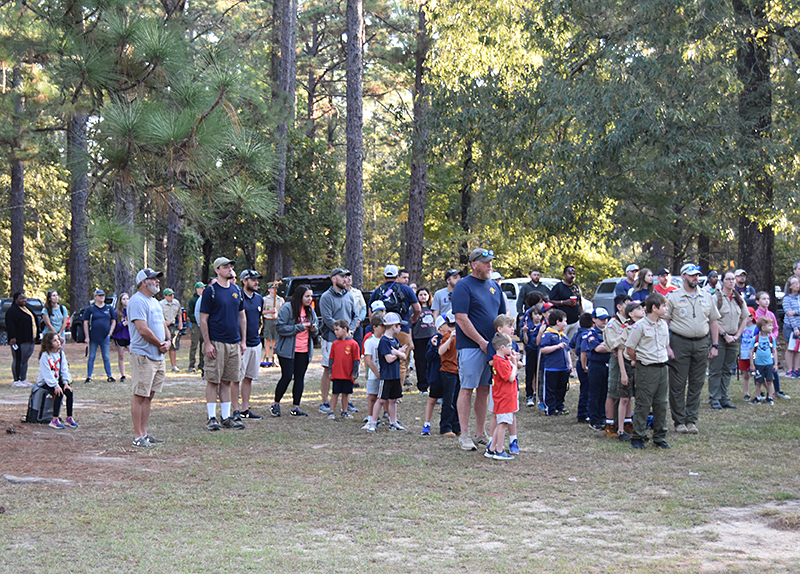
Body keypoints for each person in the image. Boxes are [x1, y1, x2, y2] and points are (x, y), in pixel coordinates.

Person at [452, 248, 506, 451]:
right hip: (471, 347)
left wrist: (501, 343)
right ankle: (464, 434)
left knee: (484, 390)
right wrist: (482, 342)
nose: (490, 265)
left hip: (492, 349)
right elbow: (461, 318)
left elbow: (502, 318)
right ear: (474, 265)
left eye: (491, 261)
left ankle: (480, 433)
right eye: (485, 262)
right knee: (467, 389)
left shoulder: (494, 286)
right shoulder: (463, 286)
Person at [665, 263, 721, 435]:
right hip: (679, 342)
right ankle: (679, 421)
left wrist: (715, 344)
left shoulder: (706, 296)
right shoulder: (673, 297)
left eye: (697, 275)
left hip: (702, 343)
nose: (695, 278)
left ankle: (691, 420)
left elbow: (713, 321)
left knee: (697, 383)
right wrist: (666, 346)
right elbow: (664, 323)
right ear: (683, 277)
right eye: (691, 275)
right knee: (678, 384)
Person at [199, 257, 246, 431]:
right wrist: (208, 343)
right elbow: (203, 319)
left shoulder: (236, 290)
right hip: (216, 342)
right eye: (225, 267)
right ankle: (211, 417)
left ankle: (226, 417)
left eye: (230, 266)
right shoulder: (210, 291)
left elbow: (242, 316)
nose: (229, 269)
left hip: (234, 343)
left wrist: (243, 340)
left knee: (227, 380)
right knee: (213, 380)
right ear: (217, 270)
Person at [128, 268, 171, 447]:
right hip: (144, 356)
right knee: (140, 395)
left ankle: (145, 433)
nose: (157, 281)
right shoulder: (137, 301)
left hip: (157, 356)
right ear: (144, 282)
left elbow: (162, 324)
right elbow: (143, 329)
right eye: (153, 279)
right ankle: (138, 437)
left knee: (149, 395)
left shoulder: (154, 301)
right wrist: (160, 344)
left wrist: (168, 341)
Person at [626, 292, 673, 450]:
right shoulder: (639, 326)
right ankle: (638, 436)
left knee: (661, 403)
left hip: (662, 367)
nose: (666, 308)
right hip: (646, 368)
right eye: (664, 306)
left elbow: (664, 345)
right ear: (654, 307)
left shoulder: (663, 325)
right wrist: (638, 359)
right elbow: (630, 348)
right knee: (643, 403)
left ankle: (659, 437)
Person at [368, 265, 420, 387]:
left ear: (384, 276)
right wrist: (414, 318)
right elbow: (417, 308)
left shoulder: (378, 290)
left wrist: (375, 325)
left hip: (382, 329)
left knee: (383, 360)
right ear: (397, 276)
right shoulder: (406, 289)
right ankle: (398, 391)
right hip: (401, 328)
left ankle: (383, 387)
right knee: (401, 362)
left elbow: (370, 309)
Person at [272, 285, 317, 417]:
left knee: (300, 378)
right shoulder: (288, 308)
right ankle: (275, 404)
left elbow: (316, 327)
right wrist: (299, 327)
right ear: (300, 296)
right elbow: (280, 328)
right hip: (287, 350)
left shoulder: (310, 310)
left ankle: (296, 407)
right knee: (287, 376)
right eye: (307, 296)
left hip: (304, 350)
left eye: (311, 296)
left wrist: (314, 329)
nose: (310, 299)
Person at [707, 271, 748, 409]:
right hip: (718, 337)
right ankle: (714, 398)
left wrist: (737, 335)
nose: (731, 281)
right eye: (728, 279)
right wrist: (724, 335)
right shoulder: (716, 297)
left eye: (733, 279)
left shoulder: (739, 297)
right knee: (716, 368)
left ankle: (724, 397)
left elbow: (745, 318)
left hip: (734, 338)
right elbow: (712, 319)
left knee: (727, 369)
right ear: (722, 281)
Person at [319, 268, 358, 413]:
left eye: (346, 277)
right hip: (331, 339)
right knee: (328, 368)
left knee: (347, 368)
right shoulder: (326, 297)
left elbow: (354, 316)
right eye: (341, 277)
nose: (345, 279)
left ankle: (346, 403)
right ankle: (324, 401)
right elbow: (327, 319)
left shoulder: (349, 296)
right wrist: (339, 332)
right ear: (334, 279)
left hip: (348, 339)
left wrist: (350, 331)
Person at [367, 312, 408, 432]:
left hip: (395, 375)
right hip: (387, 376)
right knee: (381, 399)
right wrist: (397, 353)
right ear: (394, 326)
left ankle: (393, 422)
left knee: (393, 400)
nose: (400, 328)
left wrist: (397, 352)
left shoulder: (395, 340)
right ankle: (373, 423)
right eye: (399, 326)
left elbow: (403, 356)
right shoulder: (384, 341)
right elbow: (389, 359)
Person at [232, 270, 264, 421]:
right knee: (236, 377)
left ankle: (245, 408)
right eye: (253, 280)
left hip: (255, 343)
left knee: (249, 377)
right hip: (240, 343)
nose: (256, 282)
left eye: (257, 280)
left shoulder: (259, 299)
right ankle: (235, 409)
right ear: (244, 281)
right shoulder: (238, 297)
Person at [603, 295, 634, 437]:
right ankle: (610, 424)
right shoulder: (613, 324)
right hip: (617, 359)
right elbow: (613, 343)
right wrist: (623, 346)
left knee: (627, 393)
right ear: (619, 307)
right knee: (613, 391)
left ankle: (627, 422)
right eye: (627, 304)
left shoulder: (633, 322)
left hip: (630, 358)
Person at [485, 332, 519, 461]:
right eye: (509, 346)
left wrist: (513, 361)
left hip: (506, 396)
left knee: (501, 423)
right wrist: (515, 367)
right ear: (501, 347)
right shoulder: (499, 361)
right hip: (504, 397)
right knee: (503, 424)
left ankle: (492, 448)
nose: (511, 348)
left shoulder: (502, 359)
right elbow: (510, 377)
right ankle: (499, 450)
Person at [36, 333, 78, 429]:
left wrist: (65, 383)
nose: (58, 342)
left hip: (57, 380)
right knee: (58, 393)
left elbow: (64, 369)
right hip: (46, 382)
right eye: (54, 340)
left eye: (58, 339)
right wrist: (56, 386)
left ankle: (69, 418)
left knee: (69, 392)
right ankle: (54, 419)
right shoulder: (45, 356)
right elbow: (47, 374)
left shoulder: (61, 354)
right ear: (49, 343)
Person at [753, 290, 789, 399]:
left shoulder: (771, 314)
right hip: (759, 346)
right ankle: (760, 392)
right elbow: (754, 330)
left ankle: (776, 390)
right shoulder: (756, 314)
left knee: (773, 367)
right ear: (757, 301)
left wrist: (772, 336)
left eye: (768, 299)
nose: (766, 301)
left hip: (770, 346)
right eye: (764, 299)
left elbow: (776, 328)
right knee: (758, 368)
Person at [583, 308, 611, 434]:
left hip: (608, 365)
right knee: (595, 393)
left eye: (606, 318)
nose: (604, 321)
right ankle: (594, 419)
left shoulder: (609, 332)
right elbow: (598, 349)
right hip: (596, 365)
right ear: (594, 319)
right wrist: (611, 345)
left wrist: (607, 345)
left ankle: (603, 416)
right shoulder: (591, 333)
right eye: (601, 319)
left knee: (605, 392)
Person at [327, 319, 361, 421]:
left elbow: (356, 360)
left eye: (337, 329)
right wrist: (330, 372)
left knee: (346, 394)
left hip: (347, 374)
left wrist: (355, 372)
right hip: (337, 374)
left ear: (345, 329)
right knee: (335, 393)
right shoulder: (335, 344)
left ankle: (344, 411)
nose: (335, 332)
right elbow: (331, 359)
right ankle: (331, 411)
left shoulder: (353, 344)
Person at [539, 309, 572, 415]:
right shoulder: (548, 334)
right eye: (565, 321)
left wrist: (570, 364)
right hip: (552, 367)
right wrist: (556, 347)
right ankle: (550, 408)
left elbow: (567, 351)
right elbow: (543, 349)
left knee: (561, 388)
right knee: (550, 389)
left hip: (563, 367)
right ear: (558, 322)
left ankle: (559, 406)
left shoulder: (563, 335)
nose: (566, 323)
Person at [83, 289, 116, 384]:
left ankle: (109, 376)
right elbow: (85, 322)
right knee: (91, 356)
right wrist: (87, 336)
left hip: (105, 336)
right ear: (95, 297)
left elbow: (113, 320)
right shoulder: (90, 309)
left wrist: (110, 333)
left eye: (103, 295)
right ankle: (88, 376)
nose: (102, 297)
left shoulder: (109, 308)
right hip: (93, 336)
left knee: (106, 356)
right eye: (99, 295)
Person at [7, 292, 39, 387]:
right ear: (15, 299)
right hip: (19, 340)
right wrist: (12, 337)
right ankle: (16, 380)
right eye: (21, 298)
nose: (24, 300)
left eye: (25, 298)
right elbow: (10, 325)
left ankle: (23, 379)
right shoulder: (12, 311)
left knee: (25, 359)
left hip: (29, 338)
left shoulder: (27, 308)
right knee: (18, 359)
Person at [362, 311, 386, 430]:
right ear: (375, 327)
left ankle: (378, 418)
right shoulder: (370, 341)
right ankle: (370, 418)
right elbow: (368, 360)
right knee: (372, 397)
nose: (384, 329)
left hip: (384, 373)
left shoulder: (385, 340)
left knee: (382, 398)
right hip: (373, 375)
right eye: (382, 326)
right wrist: (377, 373)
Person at [411, 287, 436, 394]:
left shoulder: (432, 308)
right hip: (419, 338)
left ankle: (433, 384)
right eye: (420, 295)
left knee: (432, 362)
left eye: (425, 294)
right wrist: (411, 341)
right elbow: (410, 326)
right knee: (421, 362)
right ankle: (422, 386)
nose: (423, 297)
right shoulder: (414, 309)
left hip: (431, 338)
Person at [549, 265, 584, 340]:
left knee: (572, 343)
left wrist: (582, 315)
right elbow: (550, 300)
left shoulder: (576, 287)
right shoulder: (559, 286)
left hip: (575, 321)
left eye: (574, 274)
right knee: (562, 341)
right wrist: (564, 302)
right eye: (570, 273)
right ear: (564, 275)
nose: (572, 276)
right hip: (562, 321)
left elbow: (580, 302)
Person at [570, 312, 593, 422]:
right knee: (587, 389)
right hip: (585, 363)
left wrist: (577, 355)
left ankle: (583, 413)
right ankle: (583, 414)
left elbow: (572, 345)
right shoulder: (588, 335)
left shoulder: (577, 333)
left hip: (580, 361)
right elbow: (584, 350)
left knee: (584, 388)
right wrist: (585, 364)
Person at [750, 317, 778, 405]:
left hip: (769, 364)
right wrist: (752, 364)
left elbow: (774, 351)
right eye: (769, 326)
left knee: (770, 381)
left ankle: (770, 397)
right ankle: (757, 397)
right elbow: (751, 351)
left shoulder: (771, 339)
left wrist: (775, 364)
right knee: (758, 382)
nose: (772, 327)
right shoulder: (755, 339)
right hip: (758, 364)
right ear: (763, 328)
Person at [522, 300, 544, 408]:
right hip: (531, 350)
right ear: (531, 315)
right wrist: (525, 332)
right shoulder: (528, 326)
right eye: (535, 314)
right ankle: (529, 395)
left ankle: (539, 395)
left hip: (540, 351)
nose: (537, 317)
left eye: (540, 314)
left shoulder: (543, 326)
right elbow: (525, 341)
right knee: (530, 373)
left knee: (539, 373)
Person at [261, 282, 284, 368]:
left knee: (275, 341)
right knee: (268, 341)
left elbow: (283, 311)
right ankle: (267, 360)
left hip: (276, 321)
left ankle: (274, 359)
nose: (274, 290)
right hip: (268, 321)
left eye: (275, 288)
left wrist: (277, 314)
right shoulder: (264, 299)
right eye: (272, 288)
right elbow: (261, 311)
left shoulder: (280, 299)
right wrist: (270, 312)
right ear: (269, 289)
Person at [160, 288, 183, 372]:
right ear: (165, 296)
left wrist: (180, 322)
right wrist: (163, 322)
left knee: (173, 345)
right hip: (162, 326)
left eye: (172, 294)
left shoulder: (176, 303)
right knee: (161, 345)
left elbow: (179, 313)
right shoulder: (161, 304)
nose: (171, 296)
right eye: (169, 295)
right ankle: (160, 365)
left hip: (173, 326)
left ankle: (173, 366)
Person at [782, 276, 800, 378]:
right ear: (790, 286)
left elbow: (793, 312)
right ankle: (789, 370)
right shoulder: (786, 298)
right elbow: (789, 314)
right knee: (791, 347)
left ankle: (797, 369)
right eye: (794, 283)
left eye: (798, 283)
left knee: (798, 349)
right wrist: (795, 328)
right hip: (790, 326)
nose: (797, 285)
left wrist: (796, 312)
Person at [111, 293, 131, 382]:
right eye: (124, 299)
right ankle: (123, 374)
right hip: (120, 336)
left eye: (127, 298)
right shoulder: (117, 313)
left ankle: (136, 372)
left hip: (130, 337)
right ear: (120, 301)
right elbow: (114, 327)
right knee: (121, 356)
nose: (126, 301)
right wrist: (122, 324)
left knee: (134, 355)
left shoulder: (132, 311)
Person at [739, 307, 758, 401]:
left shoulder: (756, 328)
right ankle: (746, 393)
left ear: (751, 317)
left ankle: (761, 392)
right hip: (743, 352)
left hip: (753, 353)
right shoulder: (741, 328)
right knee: (745, 374)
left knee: (758, 374)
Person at [187, 282, 205, 374]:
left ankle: (202, 364)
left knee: (204, 344)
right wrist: (197, 320)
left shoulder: (205, 298)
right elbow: (190, 313)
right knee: (194, 345)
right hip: (195, 324)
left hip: (203, 325)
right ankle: (191, 365)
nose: (203, 289)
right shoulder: (193, 300)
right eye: (201, 288)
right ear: (197, 289)